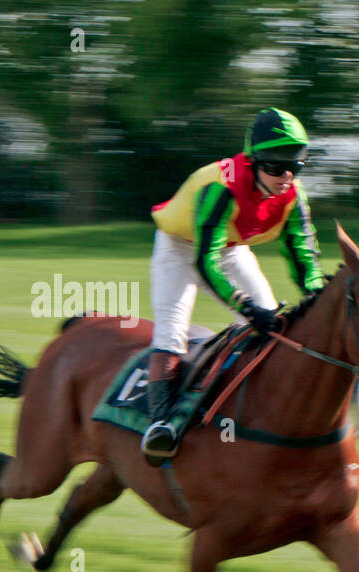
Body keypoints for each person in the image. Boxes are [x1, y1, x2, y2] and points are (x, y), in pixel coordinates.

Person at [140, 107, 327, 460]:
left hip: (230, 245)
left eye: (295, 166)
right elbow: (203, 261)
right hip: (182, 246)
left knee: (272, 324)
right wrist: (244, 306)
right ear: (253, 162)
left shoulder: (293, 195)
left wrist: (318, 295)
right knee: (171, 332)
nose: (286, 175)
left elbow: (302, 250)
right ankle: (160, 424)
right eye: (274, 167)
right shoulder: (221, 187)